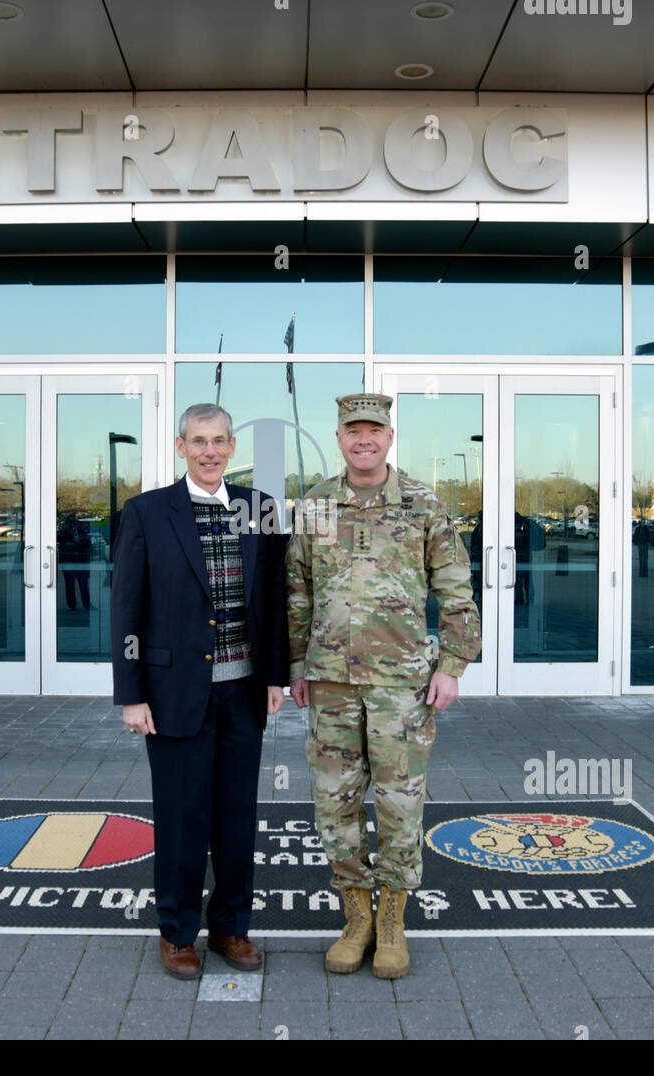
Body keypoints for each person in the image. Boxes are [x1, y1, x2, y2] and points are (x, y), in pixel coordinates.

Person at [286, 393, 481, 979]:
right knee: (334, 806)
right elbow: (296, 590)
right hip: (331, 683)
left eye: (374, 429)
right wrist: (295, 664)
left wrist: (451, 665)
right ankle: (356, 917)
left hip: (403, 688)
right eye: (353, 431)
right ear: (340, 438)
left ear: (389, 437)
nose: (363, 439)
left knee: (399, 807)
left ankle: (393, 918)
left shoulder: (423, 503)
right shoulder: (316, 504)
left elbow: (455, 591)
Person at [111, 403, 289, 980]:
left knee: (238, 817)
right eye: (198, 441)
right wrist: (131, 694)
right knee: (183, 818)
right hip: (171, 694)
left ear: (233, 447)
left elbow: (275, 602)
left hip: (243, 691)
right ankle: (178, 932)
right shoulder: (145, 512)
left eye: (219, 441)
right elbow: (127, 610)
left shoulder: (258, 510)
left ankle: (232, 928)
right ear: (180, 445)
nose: (209, 451)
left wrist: (276, 676)